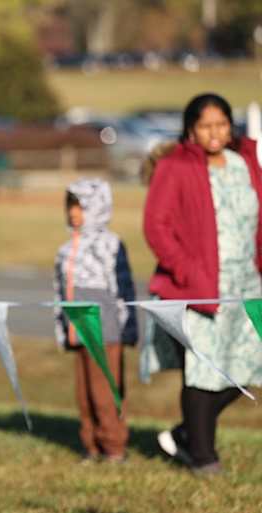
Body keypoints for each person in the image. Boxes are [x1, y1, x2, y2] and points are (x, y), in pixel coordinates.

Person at [144, 93, 262, 475]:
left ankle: (185, 435)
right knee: (204, 371)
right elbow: (156, 226)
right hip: (199, 287)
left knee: (251, 364)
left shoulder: (246, 161)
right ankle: (204, 456)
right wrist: (187, 271)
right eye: (206, 126)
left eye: (222, 124)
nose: (216, 133)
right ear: (191, 130)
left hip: (247, 282)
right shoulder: (175, 166)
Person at [53, 178, 137, 463]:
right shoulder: (65, 250)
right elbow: (59, 292)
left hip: (106, 331)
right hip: (78, 331)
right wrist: (62, 329)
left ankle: (114, 447)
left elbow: (124, 288)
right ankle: (90, 446)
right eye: (71, 206)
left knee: (105, 392)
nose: (74, 213)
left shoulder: (111, 245)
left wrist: (129, 328)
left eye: (81, 206)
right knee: (85, 393)